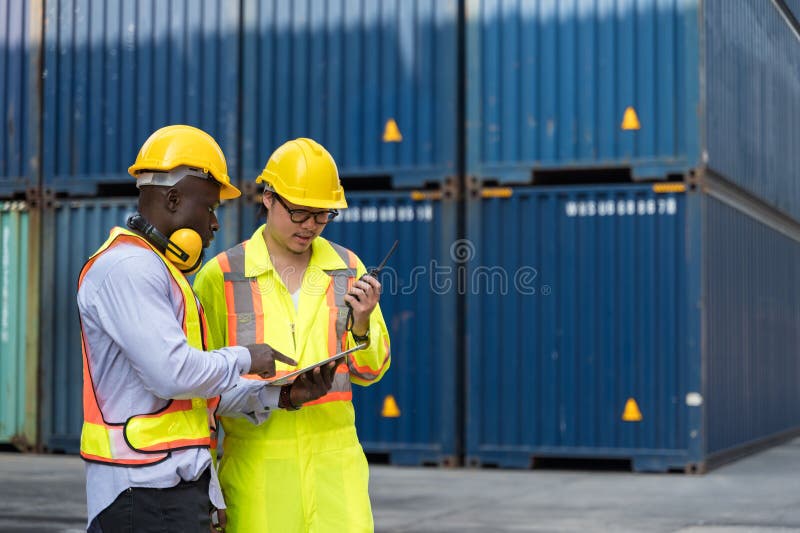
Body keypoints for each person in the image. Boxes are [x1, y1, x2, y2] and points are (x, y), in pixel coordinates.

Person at [77, 125, 339, 533]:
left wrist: (283, 394)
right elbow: (173, 374)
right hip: (139, 494)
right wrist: (246, 356)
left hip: (169, 490)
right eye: (211, 208)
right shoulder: (128, 269)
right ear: (174, 198)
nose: (215, 224)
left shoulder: (163, 272)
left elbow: (197, 399)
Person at [193, 138, 392, 532]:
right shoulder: (221, 275)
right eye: (299, 212)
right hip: (257, 475)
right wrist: (207, 488)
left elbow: (373, 372)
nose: (310, 226)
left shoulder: (347, 268)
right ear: (268, 198)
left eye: (322, 215)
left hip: (337, 475)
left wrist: (362, 323)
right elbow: (201, 390)